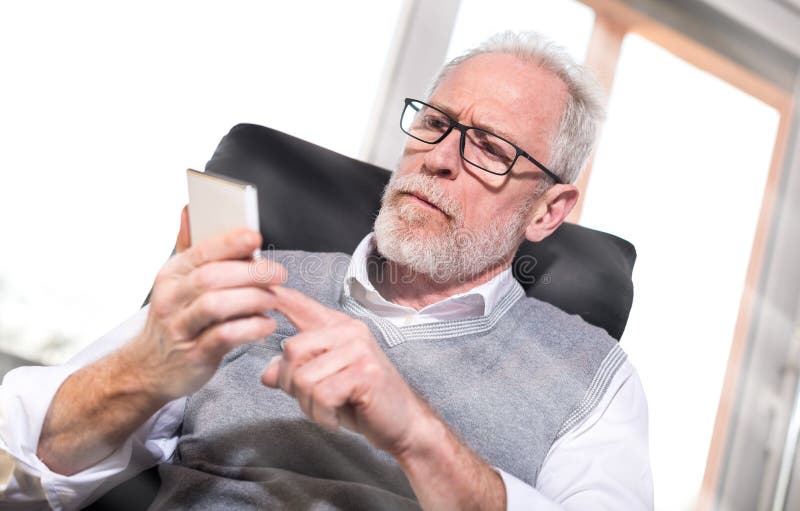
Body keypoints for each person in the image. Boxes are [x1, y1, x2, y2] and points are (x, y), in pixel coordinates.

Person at [0, 32, 652, 510]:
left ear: (547, 211)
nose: (440, 159)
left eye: (489, 148)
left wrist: (420, 439)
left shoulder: (593, 378)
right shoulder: (252, 282)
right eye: (435, 123)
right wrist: (144, 370)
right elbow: (20, 461)